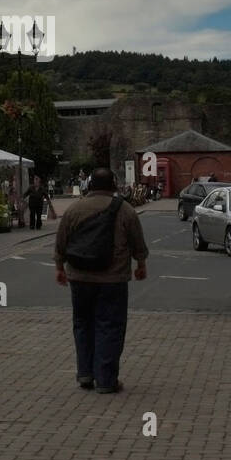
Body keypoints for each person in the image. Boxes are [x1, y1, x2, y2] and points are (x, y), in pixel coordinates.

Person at [53, 168, 149, 394]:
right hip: (113, 278)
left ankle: (85, 373)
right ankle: (106, 380)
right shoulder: (125, 210)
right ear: (114, 186)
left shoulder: (74, 209)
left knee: (83, 323)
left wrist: (59, 267)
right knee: (110, 326)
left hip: (79, 276)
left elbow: (61, 241)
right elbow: (137, 242)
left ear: (89, 186)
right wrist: (141, 265)